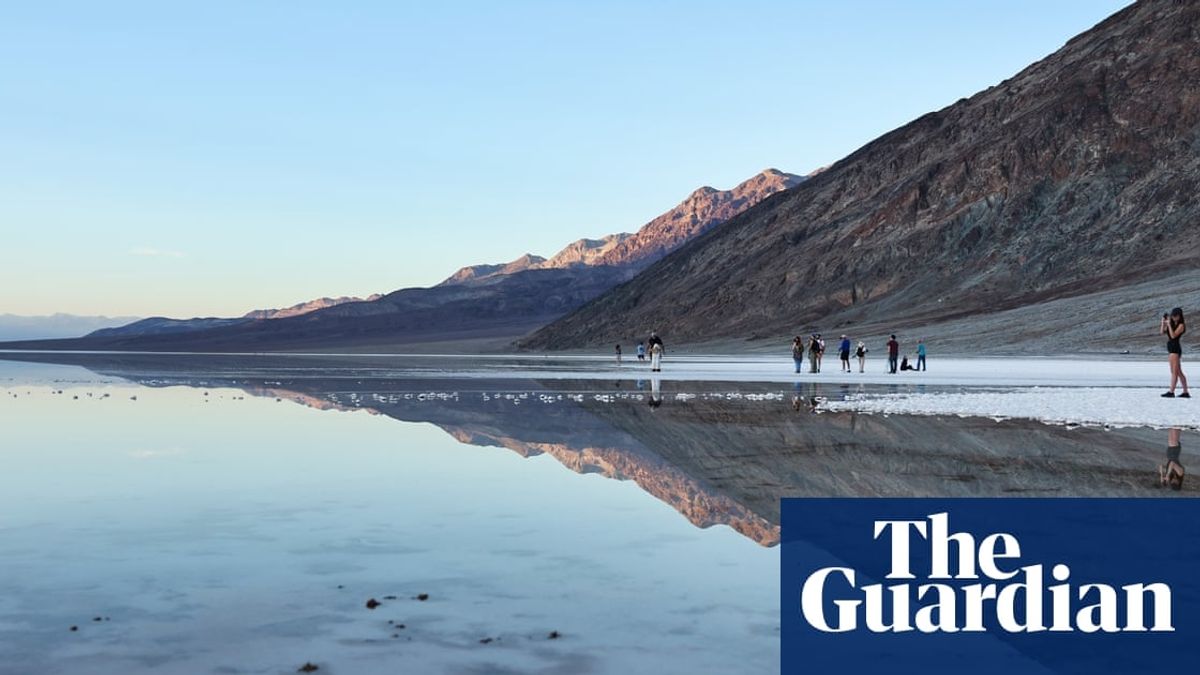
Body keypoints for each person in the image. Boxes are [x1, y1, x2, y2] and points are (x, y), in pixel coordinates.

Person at [1162, 308, 1190, 398]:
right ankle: (1185, 392)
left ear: (1179, 316)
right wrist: (1163, 323)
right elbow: (1162, 332)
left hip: (1175, 349)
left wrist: (1169, 325)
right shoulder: (1172, 323)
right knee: (1177, 372)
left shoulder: (1181, 325)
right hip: (1171, 349)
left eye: (1175, 316)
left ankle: (1171, 391)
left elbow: (1173, 336)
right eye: (1173, 316)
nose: (1174, 318)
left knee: (1175, 372)